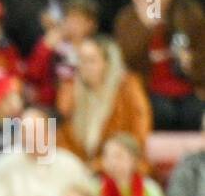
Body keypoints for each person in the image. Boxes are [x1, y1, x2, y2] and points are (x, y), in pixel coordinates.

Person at [114, 0, 205, 130]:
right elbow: (126, 60)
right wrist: (146, 26)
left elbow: (201, 56)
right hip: (147, 87)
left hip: (187, 87)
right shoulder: (129, 17)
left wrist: (191, 62)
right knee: (163, 113)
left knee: (194, 112)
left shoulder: (191, 15)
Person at [56, 36, 152, 168]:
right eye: (81, 60)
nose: (84, 66)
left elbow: (137, 139)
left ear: (108, 63)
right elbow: (62, 137)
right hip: (78, 169)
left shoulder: (128, 89)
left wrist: (98, 165)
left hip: (121, 168)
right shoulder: (69, 91)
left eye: (91, 61)